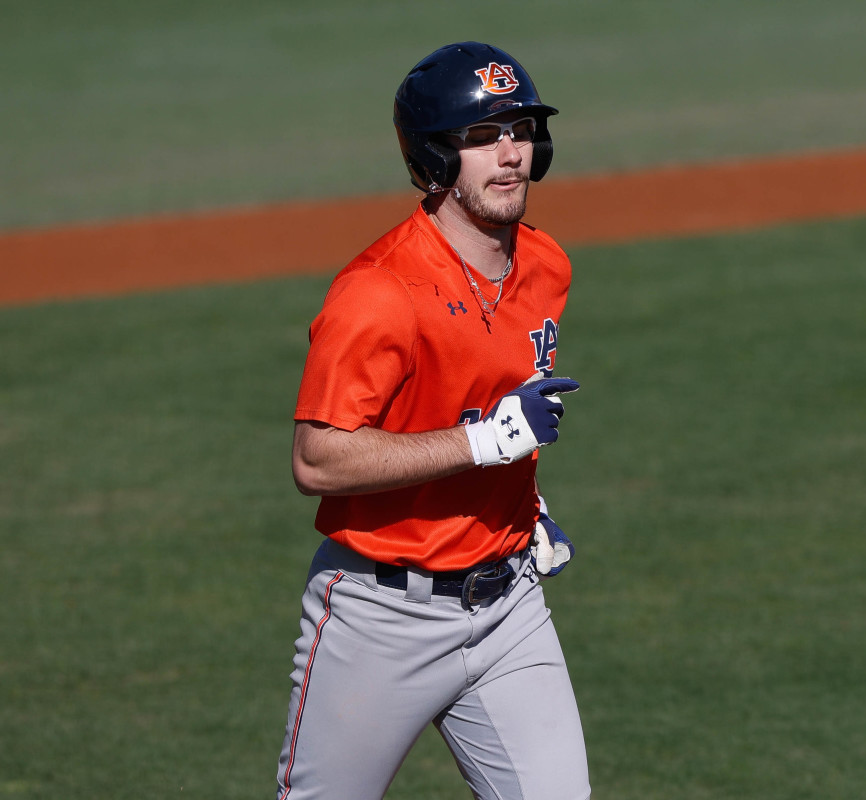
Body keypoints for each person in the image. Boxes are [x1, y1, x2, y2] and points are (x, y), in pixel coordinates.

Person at [274, 42, 590, 800]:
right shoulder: (378, 293)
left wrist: (521, 501)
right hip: (382, 617)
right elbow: (318, 460)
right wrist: (486, 445)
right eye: (482, 137)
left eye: (520, 130)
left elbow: (481, 396)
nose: (510, 154)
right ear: (434, 159)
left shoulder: (545, 268)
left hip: (510, 606)